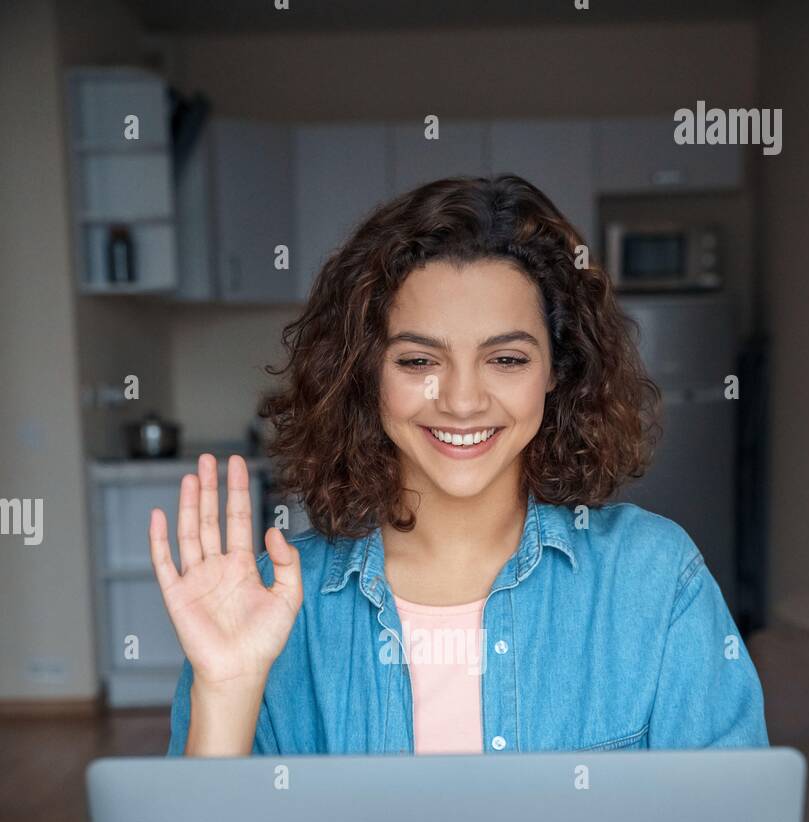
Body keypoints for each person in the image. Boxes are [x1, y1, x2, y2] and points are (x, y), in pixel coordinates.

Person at [152, 174, 768, 757]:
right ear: (367, 374)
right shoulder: (273, 606)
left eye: (506, 359)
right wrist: (228, 689)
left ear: (557, 370)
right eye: (419, 361)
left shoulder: (655, 580)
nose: (463, 400)